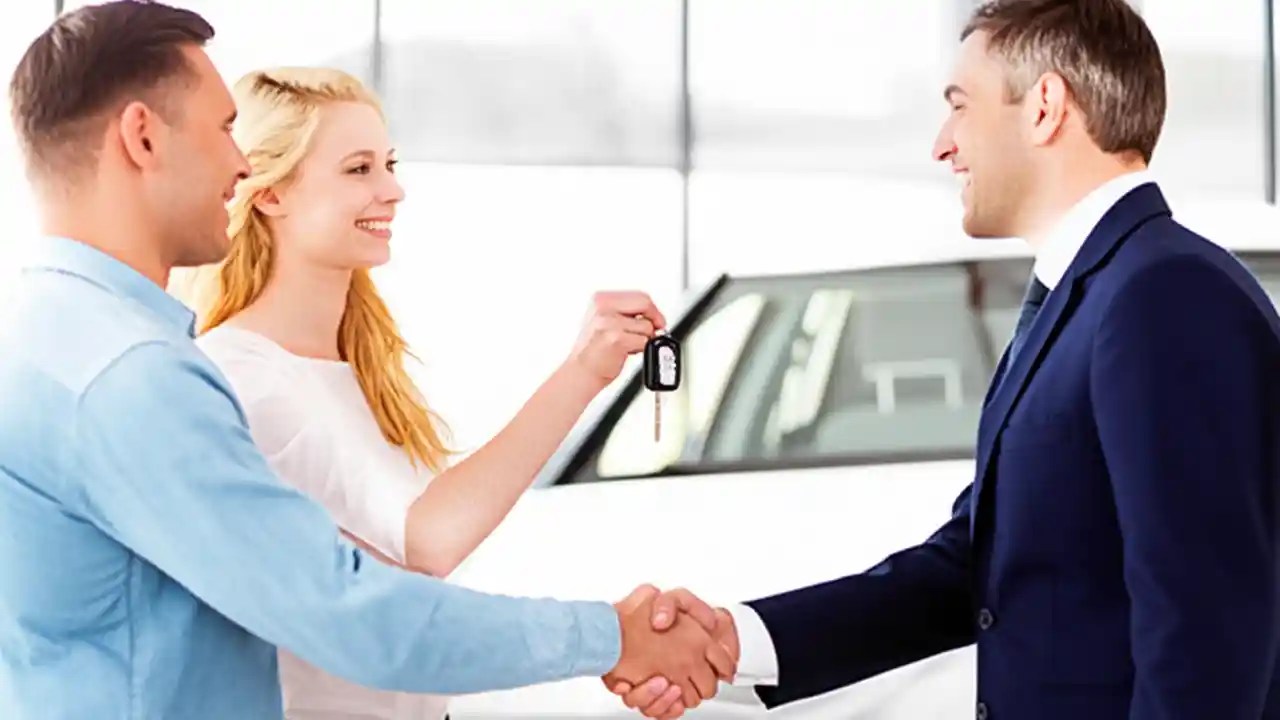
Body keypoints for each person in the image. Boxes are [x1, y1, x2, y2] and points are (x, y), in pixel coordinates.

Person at [0, 4, 733, 719]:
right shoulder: (134, 378)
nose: (239, 161)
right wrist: (612, 636)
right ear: (141, 137)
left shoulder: (48, 340)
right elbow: (355, 612)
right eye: (223, 129)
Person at [613, 0, 1280, 718]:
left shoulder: (1163, 293)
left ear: (1045, 107)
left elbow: (1207, 630)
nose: (942, 145)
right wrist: (736, 639)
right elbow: (977, 568)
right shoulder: (1091, 293)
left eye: (960, 106)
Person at [173, 64, 691, 720]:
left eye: (388, 164)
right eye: (359, 169)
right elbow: (429, 540)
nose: (392, 189)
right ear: (270, 193)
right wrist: (583, 371)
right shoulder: (246, 377)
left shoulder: (357, 368)